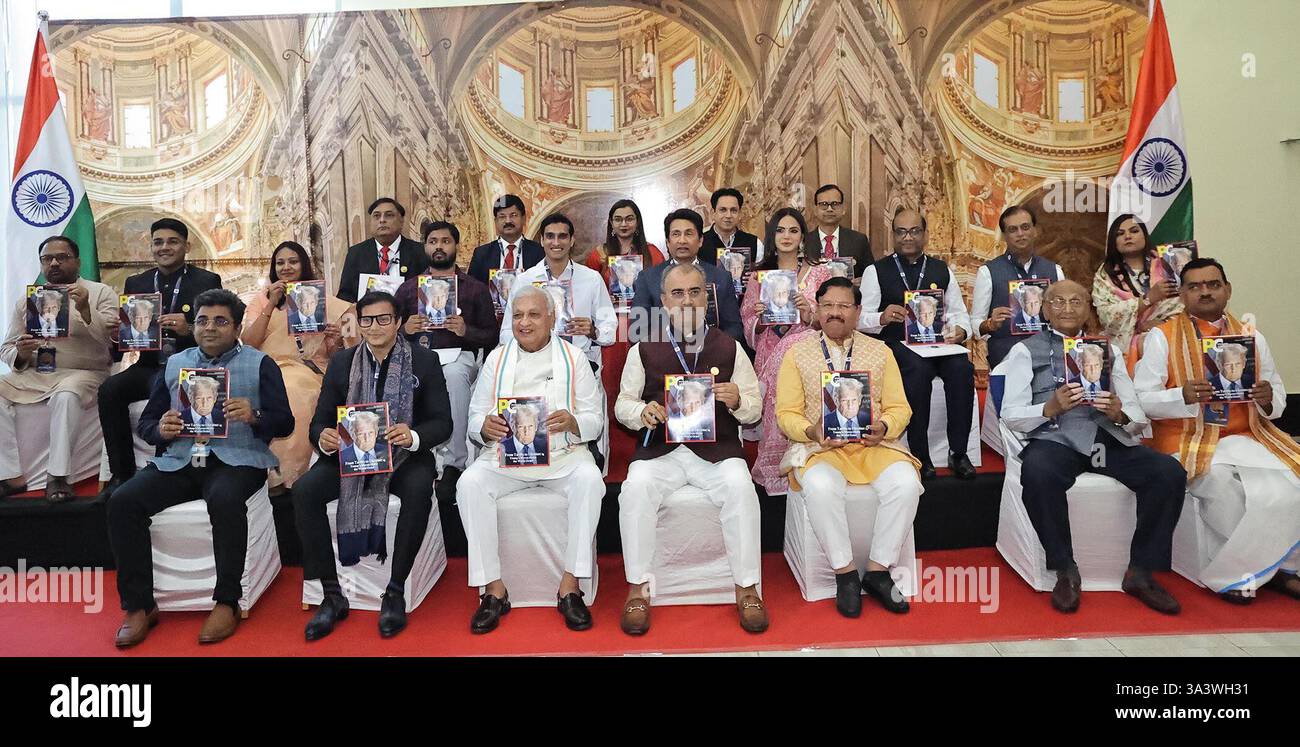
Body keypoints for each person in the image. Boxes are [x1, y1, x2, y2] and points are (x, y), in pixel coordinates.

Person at [107, 289, 294, 647]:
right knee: (122, 500)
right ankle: (139, 606)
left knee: (224, 499)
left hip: (238, 459)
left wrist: (255, 416)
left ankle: (226, 600)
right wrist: (161, 428)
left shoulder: (259, 363)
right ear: (194, 326)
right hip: (180, 459)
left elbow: (284, 423)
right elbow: (147, 423)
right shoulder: (176, 365)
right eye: (203, 321)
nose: (210, 328)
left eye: (221, 321)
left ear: (238, 326)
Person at [1000, 280, 1186, 615]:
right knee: (1038, 470)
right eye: (1058, 302)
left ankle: (1142, 570)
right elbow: (1010, 415)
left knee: (1167, 472)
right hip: (1055, 439)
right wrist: (1047, 408)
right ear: (1044, 308)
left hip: (1107, 438)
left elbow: (1137, 415)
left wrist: (1121, 414)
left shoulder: (1109, 350)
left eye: (1076, 302)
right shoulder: (1026, 350)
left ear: (1089, 309)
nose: (1067, 309)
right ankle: (1064, 569)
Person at [1134, 258, 1300, 604]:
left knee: (1289, 488)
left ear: (1227, 290)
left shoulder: (1252, 337)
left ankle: (1279, 569)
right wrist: (1182, 395)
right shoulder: (1161, 337)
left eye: (1213, 284)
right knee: (1224, 490)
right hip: (1189, 439)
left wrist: (1267, 400)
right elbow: (1140, 400)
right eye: (1194, 286)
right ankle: (1250, 573)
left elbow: (1279, 399)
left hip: (1249, 437)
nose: (1205, 291)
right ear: (1181, 294)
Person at [292, 290, 453, 640]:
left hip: (405, 458)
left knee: (418, 488)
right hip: (352, 457)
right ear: (358, 324)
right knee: (305, 491)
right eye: (367, 320)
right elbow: (318, 423)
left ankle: (394, 591)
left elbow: (443, 423)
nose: (375, 326)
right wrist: (325, 438)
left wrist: (411, 435)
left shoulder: (424, 361)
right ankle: (332, 595)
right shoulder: (342, 362)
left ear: (397, 322)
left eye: (383, 319)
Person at [616, 263, 766, 634]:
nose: (687, 301)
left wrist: (736, 401)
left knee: (741, 488)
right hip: (660, 452)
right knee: (634, 489)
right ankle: (637, 587)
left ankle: (747, 588)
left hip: (717, 451)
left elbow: (754, 406)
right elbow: (622, 404)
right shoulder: (643, 348)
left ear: (708, 298)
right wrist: (642, 411)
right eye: (678, 294)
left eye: (695, 292)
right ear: (664, 301)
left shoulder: (729, 347)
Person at [458, 286, 606, 633]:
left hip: (562, 456)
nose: (525, 323)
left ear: (552, 319)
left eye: (534, 314)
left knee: (589, 480)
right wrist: (485, 426)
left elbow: (594, 419)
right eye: (518, 315)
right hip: (507, 458)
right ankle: (494, 589)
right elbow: (475, 415)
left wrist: (573, 422)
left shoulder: (574, 358)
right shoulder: (497, 359)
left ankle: (570, 586)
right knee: (469, 484)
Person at [776, 277, 923, 617]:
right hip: (821, 448)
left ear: (858, 312)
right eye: (828, 306)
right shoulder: (797, 353)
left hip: (875, 446)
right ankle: (844, 574)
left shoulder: (880, 351)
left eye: (844, 306)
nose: (835, 313)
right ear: (817, 309)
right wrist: (811, 431)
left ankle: (877, 571)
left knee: (905, 484)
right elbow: (785, 414)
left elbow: (901, 408)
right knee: (820, 486)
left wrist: (885, 427)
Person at [97, 218, 223, 499]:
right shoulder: (137, 282)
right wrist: (119, 334)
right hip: (148, 365)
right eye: (158, 242)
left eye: (172, 241)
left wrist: (188, 329)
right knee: (109, 390)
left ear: (186, 246)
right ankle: (122, 474)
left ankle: (166, 471)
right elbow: (124, 347)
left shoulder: (207, 281)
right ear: (151, 247)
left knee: (164, 386)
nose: (165, 247)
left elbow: (220, 334)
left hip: (190, 366)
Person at [861, 208, 977, 480]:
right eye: (900, 231)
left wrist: (961, 331)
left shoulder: (940, 269)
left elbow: (959, 312)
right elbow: (860, 319)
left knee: (962, 367)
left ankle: (958, 452)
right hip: (898, 343)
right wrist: (882, 316)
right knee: (917, 370)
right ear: (893, 235)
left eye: (914, 231)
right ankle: (920, 454)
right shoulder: (875, 271)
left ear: (924, 234)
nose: (907, 237)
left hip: (939, 344)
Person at [0, 236, 118, 502]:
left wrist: (86, 309)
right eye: (47, 259)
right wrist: (21, 353)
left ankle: (59, 476)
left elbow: (112, 340)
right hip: (36, 374)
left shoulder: (100, 292)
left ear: (78, 261)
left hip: (84, 373)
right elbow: (6, 347)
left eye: (62, 257)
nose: (54, 263)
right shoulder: (29, 300)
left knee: (66, 394)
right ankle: (10, 475)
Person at [395, 220, 498, 502]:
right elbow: (387, 332)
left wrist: (466, 331)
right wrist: (405, 330)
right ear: (425, 247)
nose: (439, 246)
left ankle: (454, 462)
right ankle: (408, 452)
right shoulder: (408, 289)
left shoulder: (475, 289)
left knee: (453, 376)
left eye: (445, 241)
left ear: (456, 246)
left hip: (459, 356)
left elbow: (492, 335)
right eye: (433, 241)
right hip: (418, 358)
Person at [241, 241, 353, 493]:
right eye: (280, 262)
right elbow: (248, 343)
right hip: (268, 369)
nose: (286, 267)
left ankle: (290, 476)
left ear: (303, 264)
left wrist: (335, 340)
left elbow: (340, 354)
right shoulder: (260, 301)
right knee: (281, 387)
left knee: (295, 392)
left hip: (310, 371)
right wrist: (272, 303)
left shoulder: (324, 300)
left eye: (293, 261)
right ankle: (271, 476)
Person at [742, 207, 831, 495]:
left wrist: (810, 313)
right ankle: (774, 474)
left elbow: (832, 318)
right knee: (777, 408)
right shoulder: (758, 276)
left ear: (803, 237)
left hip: (808, 355)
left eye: (793, 230)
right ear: (771, 236)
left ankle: (808, 466)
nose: (786, 236)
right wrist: (757, 317)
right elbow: (746, 319)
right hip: (769, 352)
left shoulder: (819, 273)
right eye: (780, 230)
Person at [581, 199, 665, 476]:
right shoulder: (599, 255)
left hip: (646, 324)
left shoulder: (652, 253)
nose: (624, 224)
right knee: (615, 389)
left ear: (637, 222)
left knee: (643, 387)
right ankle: (615, 462)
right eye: (618, 219)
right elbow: (590, 295)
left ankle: (644, 452)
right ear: (611, 223)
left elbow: (663, 290)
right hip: (612, 328)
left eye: (629, 218)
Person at [499, 213, 615, 369]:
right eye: (550, 236)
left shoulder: (591, 279)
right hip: (534, 363)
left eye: (562, 236)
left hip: (580, 362)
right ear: (541, 240)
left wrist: (593, 331)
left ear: (572, 240)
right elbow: (506, 333)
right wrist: (526, 332)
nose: (556, 242)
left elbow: (610, 330)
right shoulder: (525, 280)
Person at [971, 205, 1065, 369]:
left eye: (1025, 227)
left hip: (1047, 355)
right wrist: (990, 324)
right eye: (1013, 230)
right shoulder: (988, 272)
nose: (1020, 234)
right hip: (1006, 356)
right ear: (1004, 236)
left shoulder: (1054, 271)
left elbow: (1065, 317)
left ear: (1035, 231)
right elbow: (976, 322)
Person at [630, 208, 744, 342]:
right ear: (667, 242)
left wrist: (713, 349)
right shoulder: (648, 278)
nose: (682, 240)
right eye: (676, 234)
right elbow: (638, 329)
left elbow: (734, 327)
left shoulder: (721, 277)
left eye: (689, 234)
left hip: (710, 356)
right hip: (663, 356)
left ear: (700, 240)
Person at [1092, 214, 1183, 366]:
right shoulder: (1105, 274)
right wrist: (1147, 299)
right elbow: (1107, 316)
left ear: (1145, 236)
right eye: (1120, 234)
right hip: (1124, 346)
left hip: (1170, 336)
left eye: (1134, 231)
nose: (1128, 236)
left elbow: (1185, 303)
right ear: (1114, 242)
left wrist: (1162, 325)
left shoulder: (1167, 263)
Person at [336, 198, 428, 303]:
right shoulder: (356, 253)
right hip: (369, 317)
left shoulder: (420, 252)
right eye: (376, 216)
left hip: (408, 317)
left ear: (401, 221)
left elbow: (427, 292)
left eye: (389, 215)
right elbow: (345, 295)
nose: (382, 220)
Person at [468, 194, 544, 285]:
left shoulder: (538, 251)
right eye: (502, 216)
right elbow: (472, 288)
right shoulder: (482, 253)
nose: (508, 221)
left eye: (513, 215)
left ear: (523, 219)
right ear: (495, 221)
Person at [802, 184, 871, 278]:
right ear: (815, 210)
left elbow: (870, 275)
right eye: (824, 204)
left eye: (834, 204)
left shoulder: (858, 240)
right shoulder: (804, 241)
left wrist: (862, 282)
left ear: (843, 209)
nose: (829, 209)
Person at [700, 188, 764, 265]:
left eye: (733, 210)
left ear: (740, 214)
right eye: (723, 210)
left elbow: (759, 273)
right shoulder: (699, 243)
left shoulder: (755, 243)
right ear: (713, 213)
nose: (728, 215)